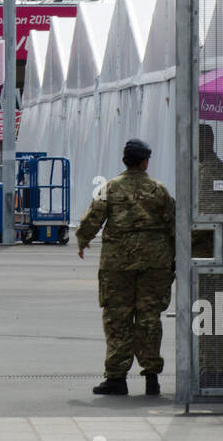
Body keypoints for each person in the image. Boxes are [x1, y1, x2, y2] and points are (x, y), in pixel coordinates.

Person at [75, 138, 175, 397]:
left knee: (117, 317)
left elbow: (92, 218)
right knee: (149, 317)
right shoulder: (159, 190)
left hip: (118, 264)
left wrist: (82, 241)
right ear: (145, 162)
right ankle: (151, 377)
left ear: (125, 161)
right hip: (155, 264)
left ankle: (117, 378)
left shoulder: (110, 188)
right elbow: (174, 224)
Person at [196, 124, 223, 389]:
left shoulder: (207, 172)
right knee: (209, 312)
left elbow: (201, 216)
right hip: (211, 253)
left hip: (207, 254)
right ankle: (210, 369)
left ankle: (210, 372)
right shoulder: (219, 169)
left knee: (207, 312)